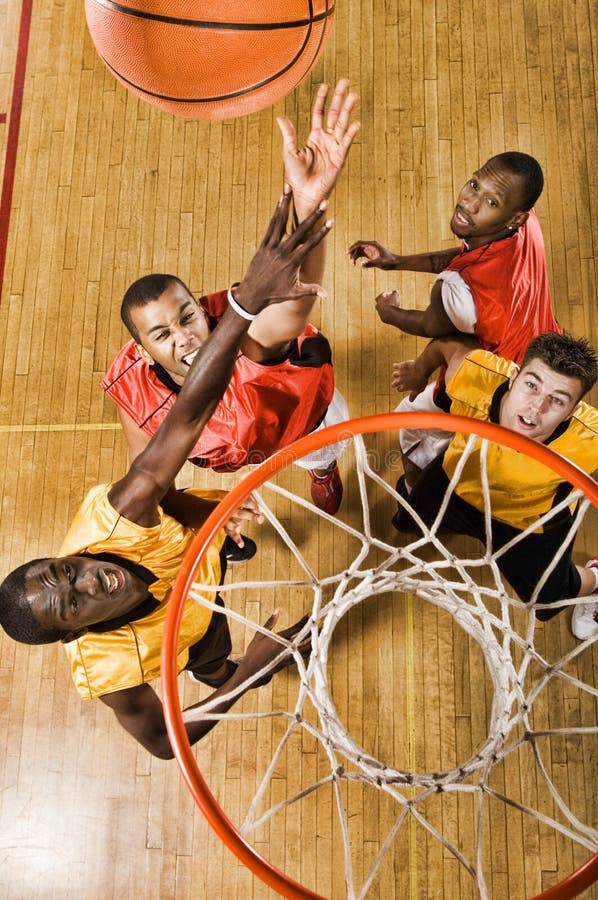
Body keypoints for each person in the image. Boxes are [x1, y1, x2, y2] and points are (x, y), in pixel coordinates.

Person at [0, 190, 331, 758]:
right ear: (74, 633)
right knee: (213, 658)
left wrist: (246, 301)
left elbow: (187, 416)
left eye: (65, 569)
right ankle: (226, 662)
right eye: (72, 603)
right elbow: (161, 741)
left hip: (188, 550)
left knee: (216, 548)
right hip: (189, 631)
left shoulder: (119, 516)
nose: (87, 579)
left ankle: (223, 545)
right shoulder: (106, 671)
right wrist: (246, 675)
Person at [101, 79, 361, 516]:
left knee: (322, 448)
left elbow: (294, 303)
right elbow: (148, 476)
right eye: (162, 334)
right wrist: (201, 511)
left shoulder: (240, 327)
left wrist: (309, 202)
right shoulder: (135, 390)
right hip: (238, 451)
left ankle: (322, 470)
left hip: (303, 415)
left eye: (187, 317)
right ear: (143, 354)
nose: (184, 337)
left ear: (202, 310)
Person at [347, 152, 561, 486]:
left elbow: (433, 329)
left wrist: (390, 315)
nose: (470, 202)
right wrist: (397, 261)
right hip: (542, 355)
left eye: (490, 200)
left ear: (515, 217)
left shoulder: (457, 294)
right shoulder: (524, 225)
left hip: (493, 387)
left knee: (412, 427)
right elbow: (467, 257)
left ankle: (417, 495)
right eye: (475, 184)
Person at [391, 330, 598, 637]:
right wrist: (420, 370)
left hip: (527, 520)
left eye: (556, 400)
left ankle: (594, 576)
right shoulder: (477, 376)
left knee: (548, 602)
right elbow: (447, 344)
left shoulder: (589, 439)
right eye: (531, 385)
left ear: (572, 411)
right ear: (514, 377)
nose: (535, 408)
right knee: (407, 521)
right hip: (459, 485)